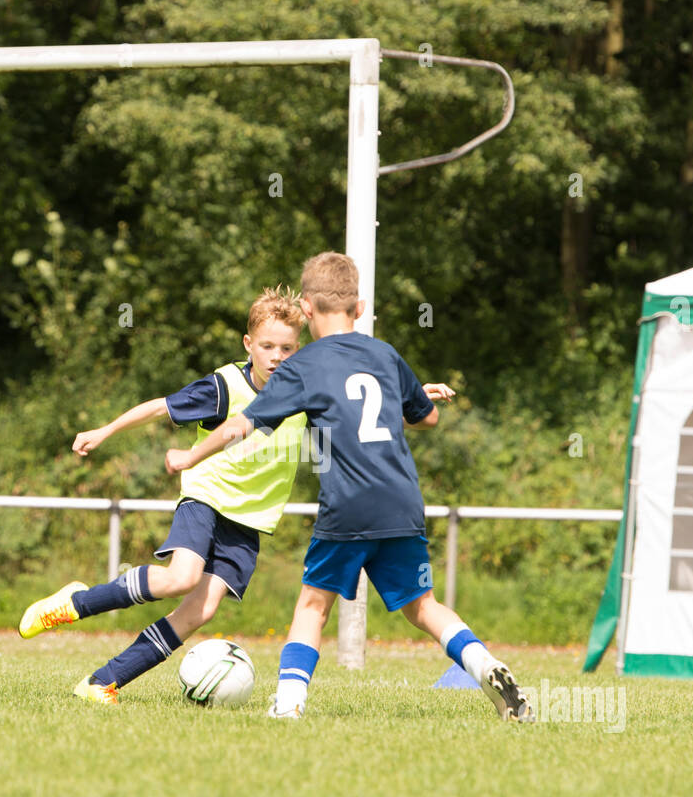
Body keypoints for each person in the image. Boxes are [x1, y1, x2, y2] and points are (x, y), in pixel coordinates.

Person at [166, 250, 536, 723]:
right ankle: (485, 663)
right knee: (424, 606)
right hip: (401, 501)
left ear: (304, 309)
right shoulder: (384, 354)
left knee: (313, 605)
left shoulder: (304, 365)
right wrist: (417, 396)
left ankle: (289, 705)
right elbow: (429, 417)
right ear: (359, 308)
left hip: (348, 504)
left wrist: (189, 455)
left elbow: (242, 425)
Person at [18, 287, 307, 701]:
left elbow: (354, 404)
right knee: (180, 577)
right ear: (249, 345)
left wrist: (409, 396)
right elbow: (159, 407)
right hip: (206, 497)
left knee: (200, 612)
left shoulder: (303, 391)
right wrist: (105, 431)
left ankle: (102, 682)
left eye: (288, 348)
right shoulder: (224, 387)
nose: (278, 356)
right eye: (268, 346)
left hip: (249, 521)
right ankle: (75, 604)